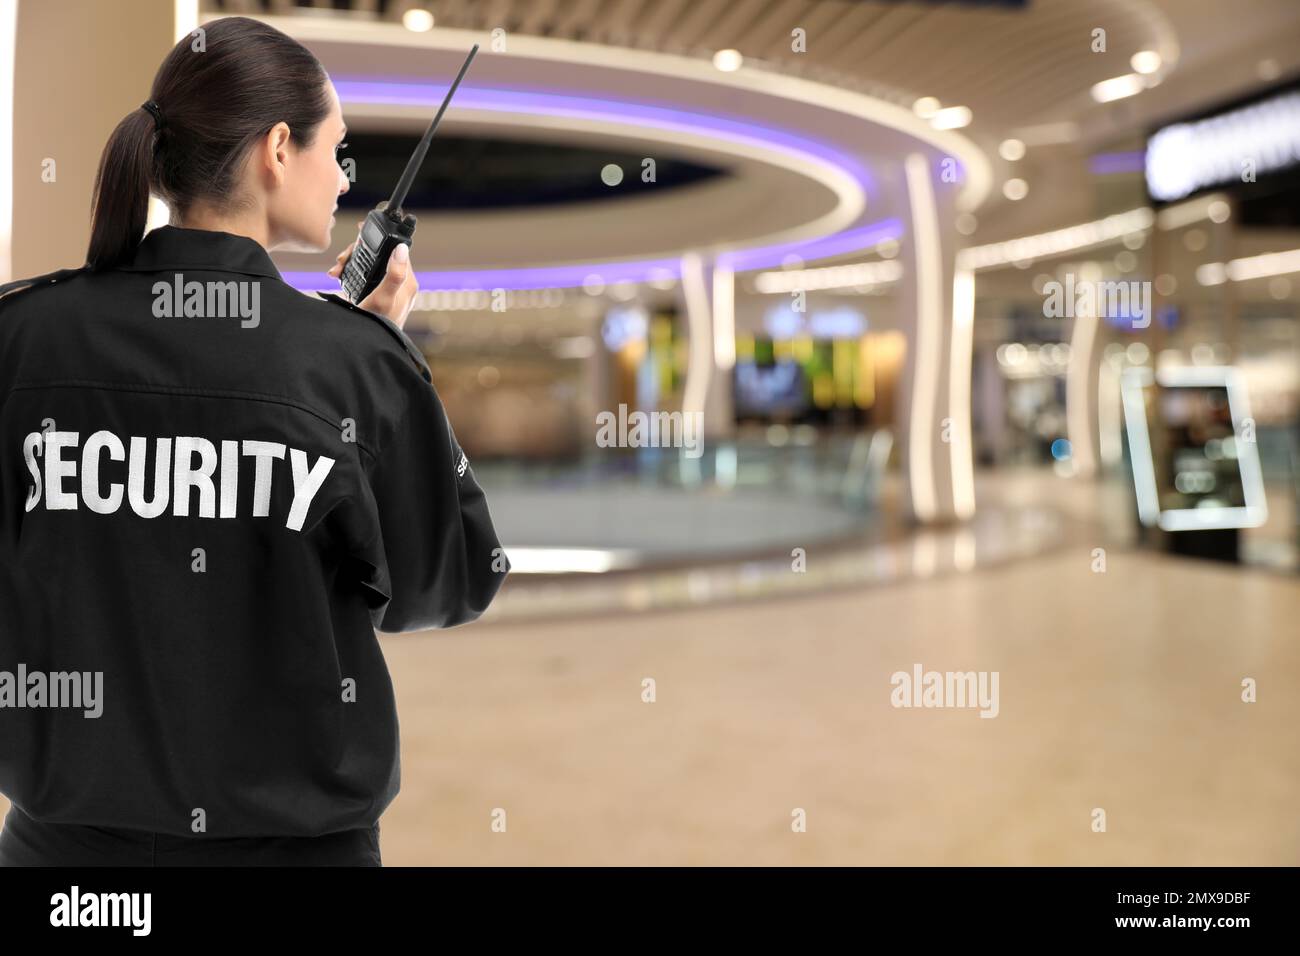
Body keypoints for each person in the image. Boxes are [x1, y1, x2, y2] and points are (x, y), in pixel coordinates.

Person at [0, 16, 509, 866]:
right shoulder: (352, 369)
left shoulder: (22, 338)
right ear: (278, 148)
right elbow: (450, 583)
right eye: (335, 150)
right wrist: (384, 359)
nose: (344, 179)